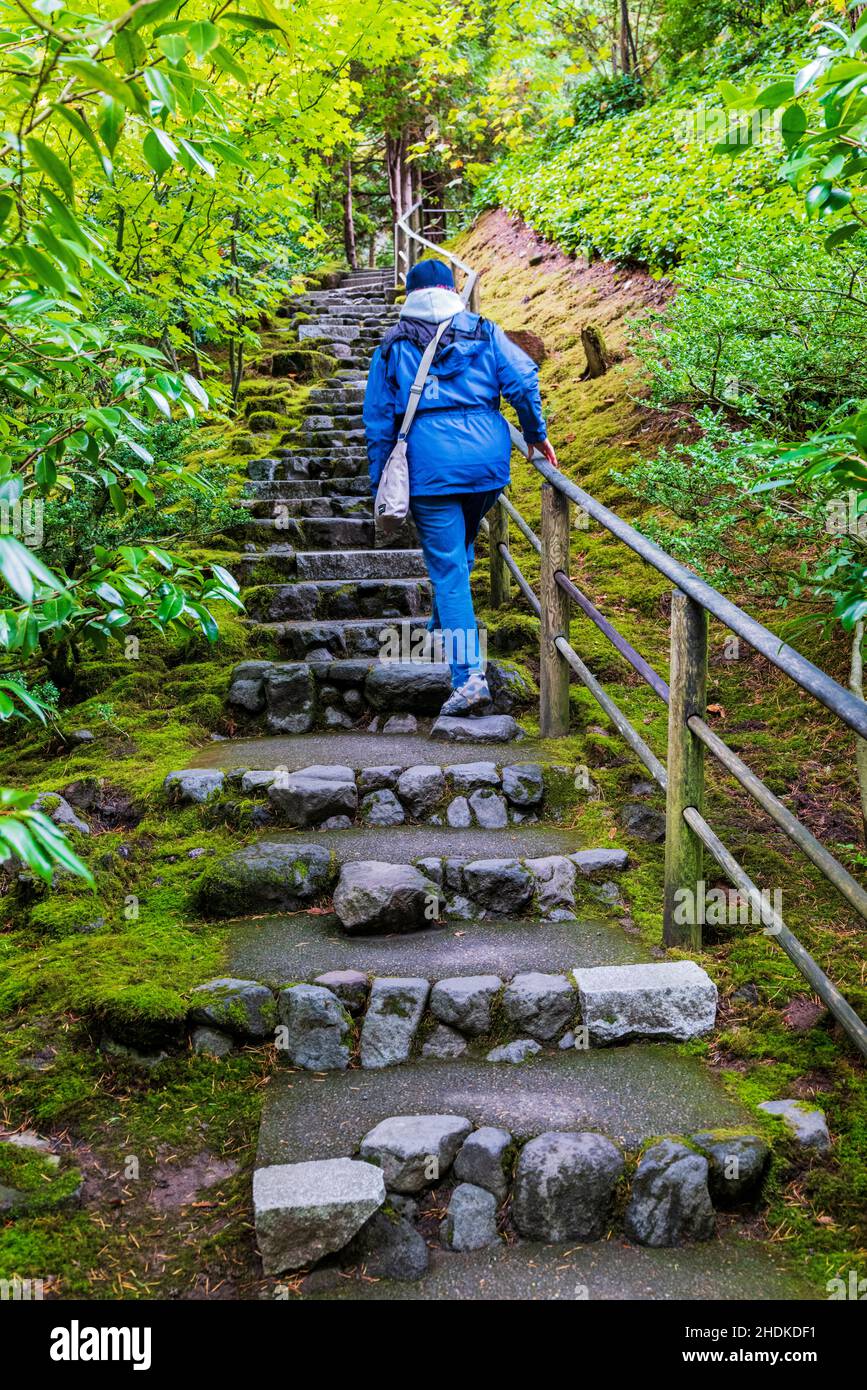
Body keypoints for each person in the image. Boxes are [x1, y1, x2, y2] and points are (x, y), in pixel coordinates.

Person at [363, 257, 558, 717]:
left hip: (430, 467)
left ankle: (468, 677)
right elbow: (523, 380)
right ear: (453, 289)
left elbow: (378, 423)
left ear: (409, 294)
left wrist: (382, 484)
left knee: (448, 568)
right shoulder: (484, 330)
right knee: (460, 550)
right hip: (487, 464)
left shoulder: (392, 345)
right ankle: (442, 624)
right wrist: (534, 433)